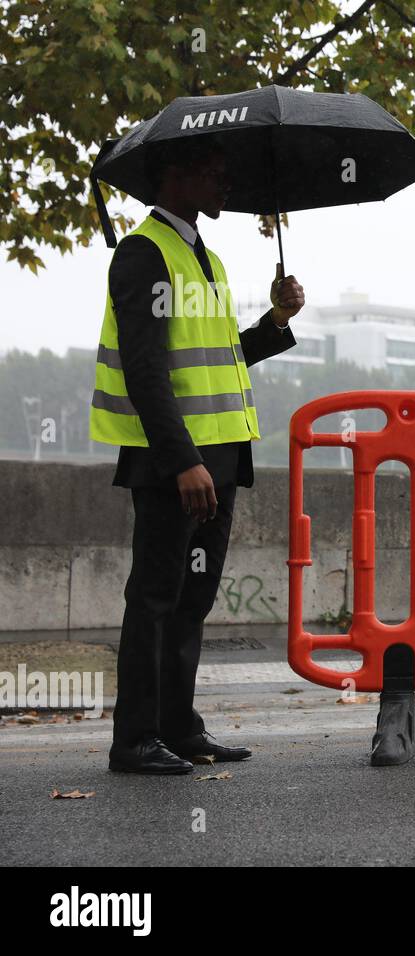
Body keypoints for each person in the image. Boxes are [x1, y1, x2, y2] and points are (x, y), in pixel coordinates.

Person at [90, 138, 304, 774]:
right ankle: (133, 741)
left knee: (192, 599)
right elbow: (146, 368)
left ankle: (178, 729)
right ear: (175, 176)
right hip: (176, 465)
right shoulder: (144, 254)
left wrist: (275, 319)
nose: (226, 180)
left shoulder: (200, 256)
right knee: (155, 598)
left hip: (216, 458)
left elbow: (219, 356)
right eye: (214, 170)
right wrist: (183, 461)